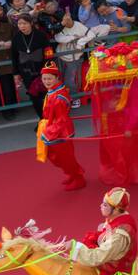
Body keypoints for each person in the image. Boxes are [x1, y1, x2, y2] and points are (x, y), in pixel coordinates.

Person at [36, 61, 86, 190]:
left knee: (65, 157)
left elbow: (61, 120)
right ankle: (71, 174)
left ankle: (78, 178)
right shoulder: (53, 91)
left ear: (57, 78)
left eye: (49, 78)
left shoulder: (58, 97)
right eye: (44, 79)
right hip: (54, 128)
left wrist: (49, 133)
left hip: (60, 132)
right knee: (57, 157)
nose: (47, 81)